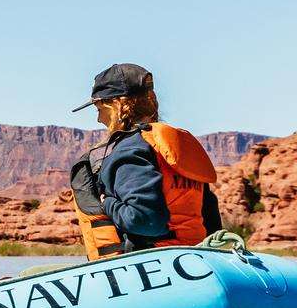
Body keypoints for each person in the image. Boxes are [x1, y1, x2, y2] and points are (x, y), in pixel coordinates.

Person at [65, 63, 221, 259]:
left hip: (153, 262)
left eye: (99, 109)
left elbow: (145, 221)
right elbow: (212, 219)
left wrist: (108, 203)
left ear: (116, 106)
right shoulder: (177, 150)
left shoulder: (131, 149)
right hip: (197, 257)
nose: (99, 120)